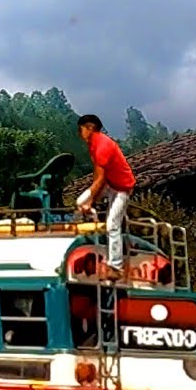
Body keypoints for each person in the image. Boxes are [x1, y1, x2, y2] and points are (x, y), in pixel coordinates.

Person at [76, 114, 136, 281]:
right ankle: (86, 234)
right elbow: (97, 174)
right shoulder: (93, 144)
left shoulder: (103, 146)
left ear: (89, 128)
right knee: (80, 202)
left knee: (112, 225)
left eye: (80, 129)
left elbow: (100, 178)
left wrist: (91, 201)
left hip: (122, 188)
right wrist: (89, 200)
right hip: (109, 183)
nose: (79, 133)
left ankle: (115, 267)